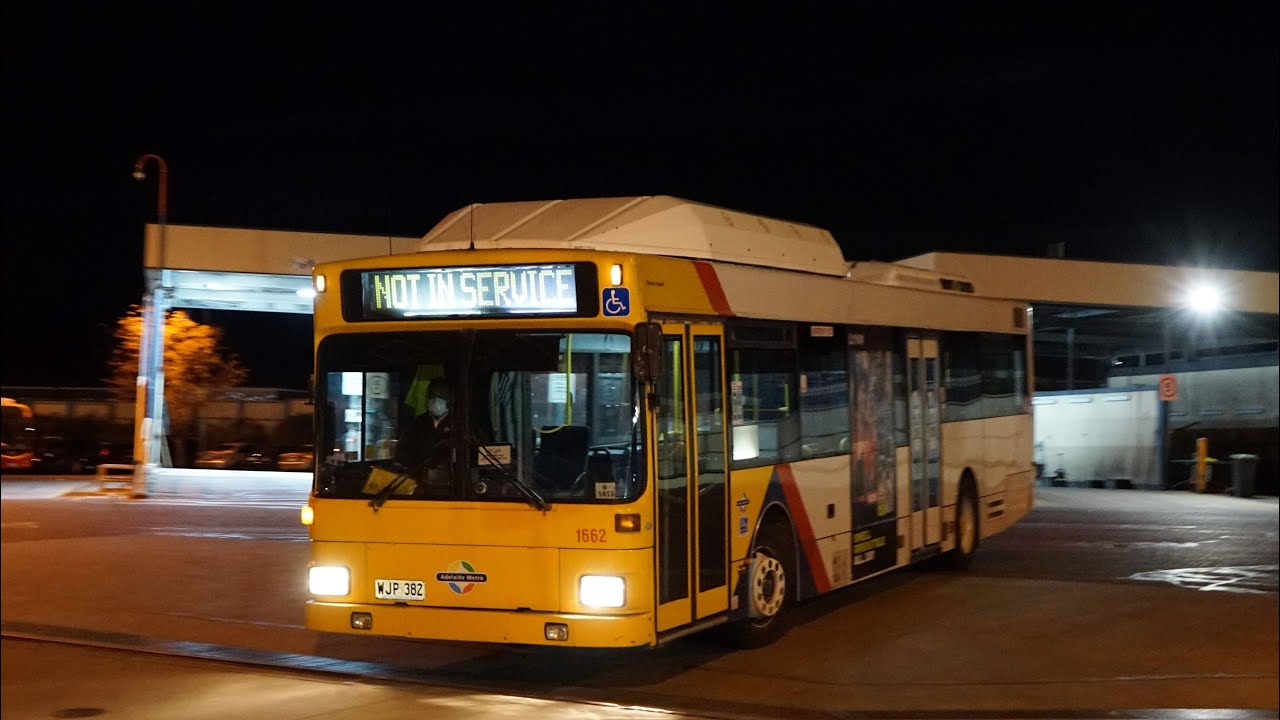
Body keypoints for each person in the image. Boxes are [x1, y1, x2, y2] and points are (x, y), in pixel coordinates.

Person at [396, 378, 454, 482]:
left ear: (450, 399)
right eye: (432, 395)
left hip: (451, 485)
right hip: (419, 483)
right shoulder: (418, 423)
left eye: (441, 395)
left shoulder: (459, 424)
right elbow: (401, 453)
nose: (436, 399)